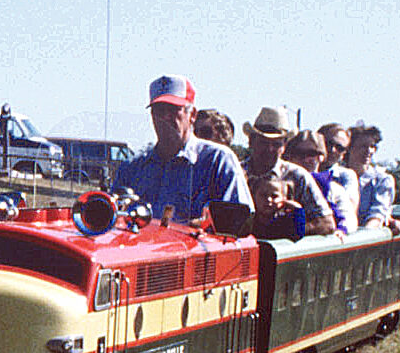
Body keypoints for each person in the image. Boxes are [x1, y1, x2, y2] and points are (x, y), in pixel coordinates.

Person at [113, 75, 252, 224]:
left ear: (192, 115)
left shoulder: (218, 161)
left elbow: (240, 225)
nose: (166, 117)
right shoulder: (132, 168)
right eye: (159, 110)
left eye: (174, 109)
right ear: (152, 115)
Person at [243, 107, 336, 235]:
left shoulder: (297, 176)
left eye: (276, 144)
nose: (269, 149)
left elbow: (327, 223)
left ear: (284, 146)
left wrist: (289, 231)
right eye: (263, 143)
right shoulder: (236, 173)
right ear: (251, 141)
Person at [284, 130, 353, 234]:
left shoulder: (334, 190)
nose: (306, 159)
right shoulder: (280, 186)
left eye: (312, 154)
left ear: (322, 157)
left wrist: (340, 230)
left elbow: (349, 221)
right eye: (299, 153)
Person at [345, 122, 395, 228]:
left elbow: (377, 215)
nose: (369, 151)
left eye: (372, 146)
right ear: (349, 148)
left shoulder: (382, 180)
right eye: (363, 146)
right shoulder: (336, 177)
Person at [251, 174, 307, 240]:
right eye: (263, 195)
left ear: (283, 198)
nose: (268, 199)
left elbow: (298, 235)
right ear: (253, 196)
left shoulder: (285, 222)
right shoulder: (249, 221)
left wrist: (297, 209)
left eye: (274, 196)